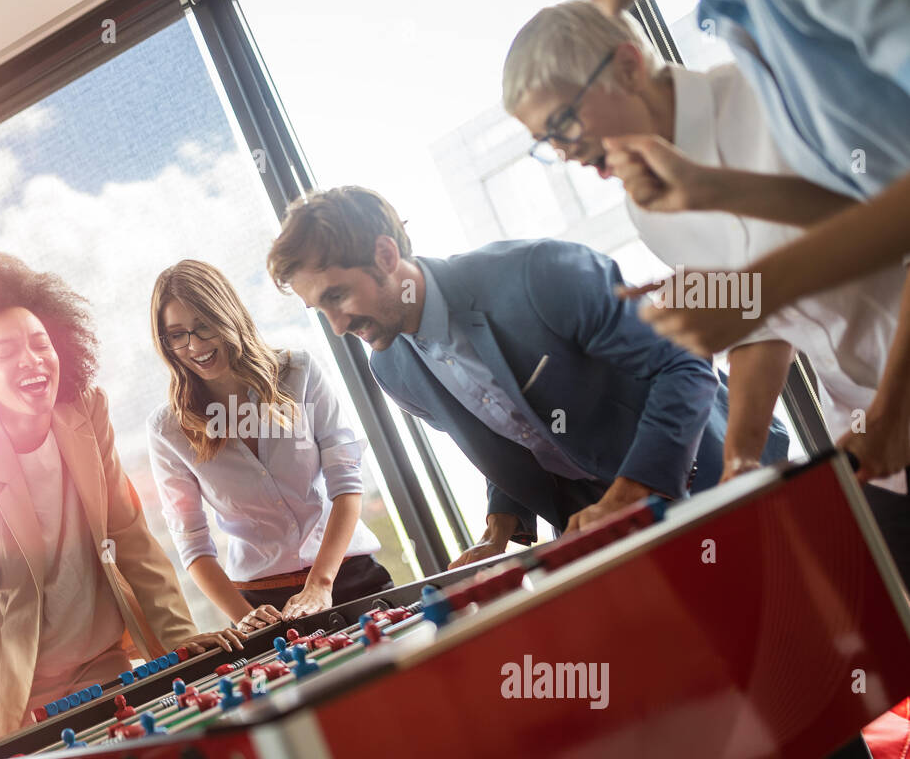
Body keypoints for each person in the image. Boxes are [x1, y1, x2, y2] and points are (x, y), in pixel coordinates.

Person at [267, 185, 787, 567]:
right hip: (604, 529)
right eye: (321, 310)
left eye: (338, 296)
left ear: (385, 255)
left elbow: (685, 363)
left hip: (716, 476)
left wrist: (631, 494)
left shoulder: (538, 273)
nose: (337, 327)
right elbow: (518, 434)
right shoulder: (393, 369)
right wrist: (500, 530)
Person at [502, 0, 903, 494]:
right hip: (869, 446)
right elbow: (761, 330)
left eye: (562, 122)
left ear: (628, 67)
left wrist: (891, 412)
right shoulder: (645, 208)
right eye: (548, 142)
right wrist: (740, 462)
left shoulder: (775, 99)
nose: (565, 152)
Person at [0, 253, 243, 759]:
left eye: (41, 343)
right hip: (16, 694)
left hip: (102, 664)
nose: (32, 360)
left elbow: (131, 539)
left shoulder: (88, 413)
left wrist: (180, 643)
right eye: (7, 351)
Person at [146, 260, 390, 634]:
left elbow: (346, 483)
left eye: (203, 326)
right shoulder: (168, 430)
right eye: (177, 335)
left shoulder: (300, 372)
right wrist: (243, 616)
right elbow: (192, 542)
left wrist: (320, 585)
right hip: (260, 606)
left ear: (227, 316)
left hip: (348, 575)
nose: (194, 346)